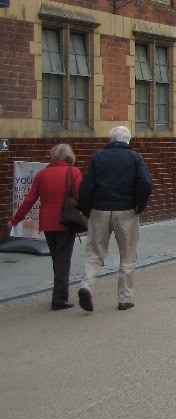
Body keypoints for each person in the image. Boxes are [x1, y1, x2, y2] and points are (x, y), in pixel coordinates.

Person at [77, 126, 153, 312]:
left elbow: (86, 186)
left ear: (110, 140)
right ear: (128, 140)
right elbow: (145, 183)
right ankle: (125, 298)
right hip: (126, 210)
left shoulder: (99, 156)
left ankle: (86, 285)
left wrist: (86, 209)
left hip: (100, 209)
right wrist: (138, 206)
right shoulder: (135, 157)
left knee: (94, 251)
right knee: (127, 254)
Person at [8, 144, 83, 310]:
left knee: (57, 259)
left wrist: (15, 220)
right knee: (63, 260)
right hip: (67, 221)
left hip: (48, 222)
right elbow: (80, 196)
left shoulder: (42, 174)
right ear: (69, 156)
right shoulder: (74, 172)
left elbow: (29, 200)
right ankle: (59, 298)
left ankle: (58, 293)